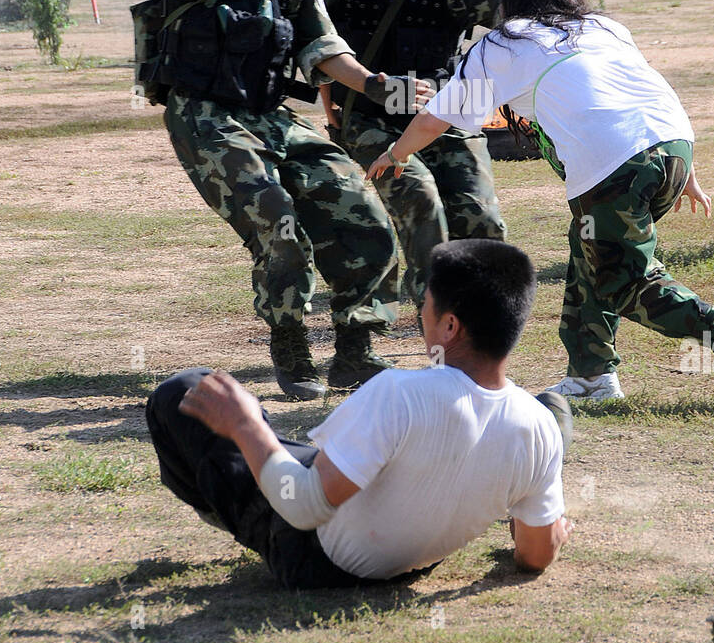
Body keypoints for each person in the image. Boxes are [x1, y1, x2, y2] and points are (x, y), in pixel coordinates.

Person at [368, 0, 714, 404]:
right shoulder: (604, 27)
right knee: (590, 259)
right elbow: (640, 91)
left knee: (623, 280)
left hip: (613, 161)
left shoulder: (505, 44)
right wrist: (683, 173)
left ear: (511, 0)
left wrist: (395, 153)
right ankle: (590, 376)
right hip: (673, 145)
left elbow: (436, 118)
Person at [136, 0, 432, 402]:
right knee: (278, 222)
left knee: (362, 210)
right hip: (206, 113)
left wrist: (374, 85)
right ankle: (292, 340)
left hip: (273, 115)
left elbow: (321, 45)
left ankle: (355, 351)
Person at [145, 239, 571, 590]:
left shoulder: (398, 392)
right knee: (538, 425)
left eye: (425, 304)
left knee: (184, 390)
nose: (420, 314)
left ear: (450, 328)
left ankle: (231, 504)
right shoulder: (535, 425)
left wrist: (244, 425)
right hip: (420, 555)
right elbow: (536, 557)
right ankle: (529, 486)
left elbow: (305, 506)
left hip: (316, 559)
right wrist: (532, 524)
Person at [320, 0, 506, 306]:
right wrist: (332, 108)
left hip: (442, 113)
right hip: (372, 118)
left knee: (481, 218)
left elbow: (505, 15)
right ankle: (434, 307)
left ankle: (485, 311)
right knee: (419, 196)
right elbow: (317, 41)